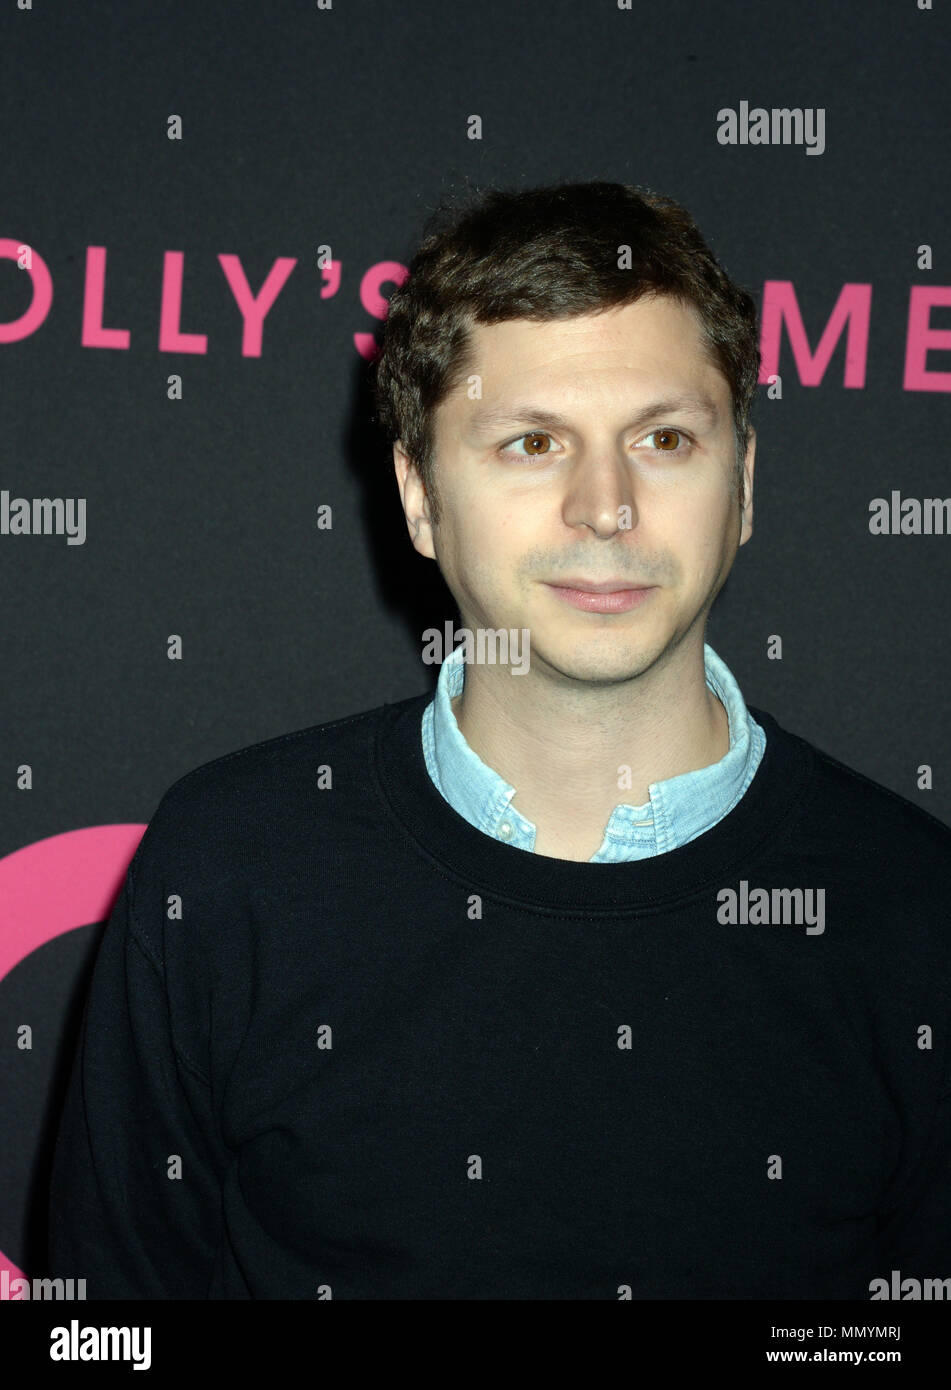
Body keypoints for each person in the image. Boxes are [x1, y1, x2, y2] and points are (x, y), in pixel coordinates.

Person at [48, 181, 951, 1299]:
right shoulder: (230, 872)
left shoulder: (916, 912)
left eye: (664, 438)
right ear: (420, 495)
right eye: (533, 443)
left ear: (746, 485)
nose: (606, 507)